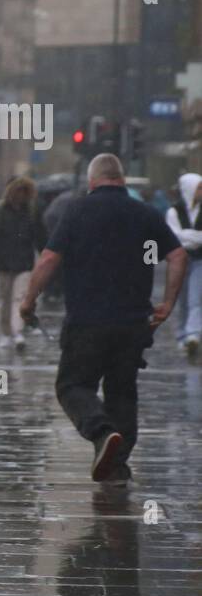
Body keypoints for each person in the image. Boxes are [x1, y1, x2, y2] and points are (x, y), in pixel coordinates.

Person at [20, 154, 187, 483]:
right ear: (121, 180)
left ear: (92, 181)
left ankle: (101, 433)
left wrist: (28, 301)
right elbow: (178, 255)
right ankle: (117, 465)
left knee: (72, 385)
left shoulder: (78, 211)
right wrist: (167, 303)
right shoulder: (145, 213)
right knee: (122, 391)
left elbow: (49, 258)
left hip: (87, 321)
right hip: (133, 324)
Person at [0, 176, 47, 350]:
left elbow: (41, 237)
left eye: (24, 193)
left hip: (24, 263)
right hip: (3, 262)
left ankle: (17, 332)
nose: (21, 196)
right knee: (6, 299)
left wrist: (44, 257)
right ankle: (5, 333)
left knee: (19, 297)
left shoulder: (32, 212)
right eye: (18, 192)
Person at [165, 172, 202, 356]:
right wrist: (194, 237)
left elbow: (182, 236)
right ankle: (182, 335)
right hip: (179, 261)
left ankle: (192, 334)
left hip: (199, 260)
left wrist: (186, 236)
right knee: (182, 299)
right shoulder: (174, 211)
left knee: (196, 298)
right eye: (199, 187)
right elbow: (173, 235)